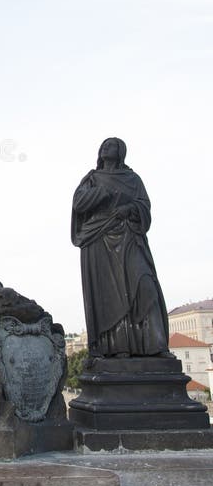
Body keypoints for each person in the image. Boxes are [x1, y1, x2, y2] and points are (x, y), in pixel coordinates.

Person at [71, 137, 170, 357]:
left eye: (112, 145)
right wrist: (102, 193)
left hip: (129, 236)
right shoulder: (93, 178)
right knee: (111, 297)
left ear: (121, 152)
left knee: (146, 286)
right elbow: (79, 203)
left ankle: (157, 345)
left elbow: (144, 207)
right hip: (99, 239)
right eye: (104, 145)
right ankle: (118, 348)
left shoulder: (133, 179)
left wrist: (129, 208)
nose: (106, 147)